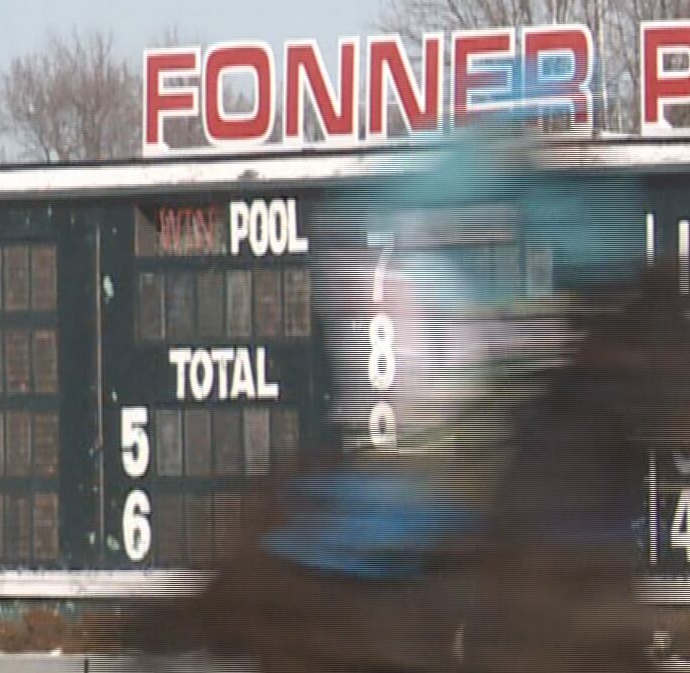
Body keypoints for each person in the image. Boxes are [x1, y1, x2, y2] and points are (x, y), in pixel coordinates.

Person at [267, 103, 646, 580]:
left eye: (560, 129)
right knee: (472, 384)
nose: (554, 139)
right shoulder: (457, 170)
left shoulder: (557, 189)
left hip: (457, 279)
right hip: (397, 266)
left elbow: (590, 269)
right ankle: (394, 508)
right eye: (543, 127)